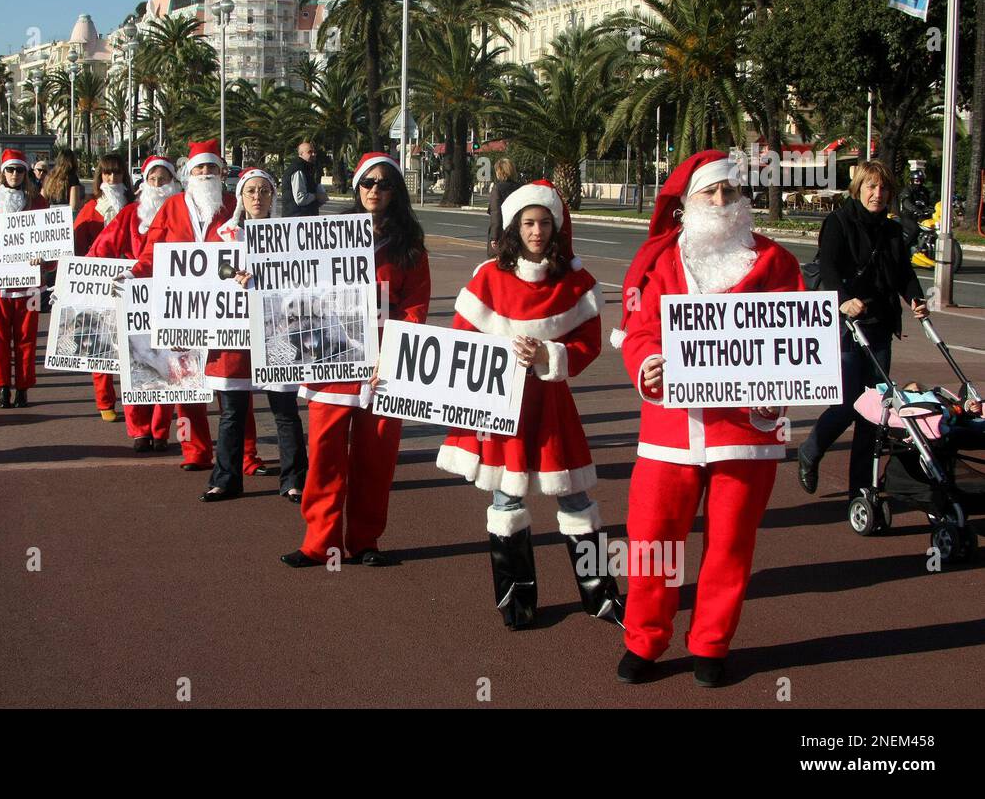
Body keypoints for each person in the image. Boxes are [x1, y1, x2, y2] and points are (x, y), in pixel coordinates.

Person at [614, 149, 804, 687]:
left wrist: (780, 390)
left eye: (730, 192)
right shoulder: (662, 263)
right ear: (687, 203)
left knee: (730, 544)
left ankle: (712, 643)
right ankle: (645, 640)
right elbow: (641, 328)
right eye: (710, 192)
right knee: (653, 540)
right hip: (670, 430)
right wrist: (648, 363)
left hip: (747, 431)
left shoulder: (775, 262)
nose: (722, 202)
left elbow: (797, 344)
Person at [437, 181, 623, 629]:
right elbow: (459, 342)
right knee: (506, 500)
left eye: (543, 223)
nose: (536, 231)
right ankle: (516, 602)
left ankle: (602, 595)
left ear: (556, 227)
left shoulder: (574, 282)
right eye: (527, 223)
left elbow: (588, 343)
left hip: (553, 408)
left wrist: (548, 356)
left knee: (577, 499)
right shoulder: (488, 277)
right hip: (503, 411)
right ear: (513, 228)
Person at [282, 153, 431, 568]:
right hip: (332, 359)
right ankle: (318, 543)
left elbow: (416, 304)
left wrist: (397, 348)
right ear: (356, 186)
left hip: (385, 364)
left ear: (395, 191)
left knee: (375, 458)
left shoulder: (409, 247)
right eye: (367, 183)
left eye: (384, 184)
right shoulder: (328, 234)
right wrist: (254, 280)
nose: (374, 191)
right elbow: (291, 278)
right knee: (325, 453)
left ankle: (365, 541)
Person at [797, 159, 929, 499]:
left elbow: (903, 273)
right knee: (847, 403)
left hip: (880, 325)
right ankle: (811, 449)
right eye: (871, 186)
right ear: (859, 189)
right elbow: (827, 266)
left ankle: (861, 489)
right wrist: (843, 300)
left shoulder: (891, 230)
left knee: (874, 410)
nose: (878, 193)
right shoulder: (839, 222)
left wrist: (915, 298)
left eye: (883, 188)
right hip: (846, 325)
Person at [203, 169, 308, 503]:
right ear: (240, 197)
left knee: (285, 411)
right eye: (251, 191)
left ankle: (293, 480)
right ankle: (226, 480)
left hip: (277, 332)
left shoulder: (290, 237)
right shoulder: (222, 236)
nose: (257, 197)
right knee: (232, 413)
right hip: (234, 338)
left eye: (264, 191)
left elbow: (303, 279)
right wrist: (231, 278)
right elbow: (205, 277)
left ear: (273, 196)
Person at [128, 140, 233, 471]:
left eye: (211, 168)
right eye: (199, 168)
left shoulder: (233, 203)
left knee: (233, 387)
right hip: (182, 307)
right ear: (189, 173)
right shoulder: (172, 206)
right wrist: (133, 273)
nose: (205, 174)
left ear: (221, 172)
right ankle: (196, 452)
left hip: (227, 308)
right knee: (186, 381)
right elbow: (151, 250)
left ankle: (245, 456)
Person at [88, 155, 180, 448]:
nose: (158, 185)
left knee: (168, 363)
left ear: (173, 182)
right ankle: (140, 430)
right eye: (153, 179)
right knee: (135, 362)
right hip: (134, 296)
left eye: (163, 179)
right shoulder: (129, 213)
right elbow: (100, 249)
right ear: (144, 182)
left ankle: (160, 429)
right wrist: (76, 280)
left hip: (170, 296)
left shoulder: (183, 214)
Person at [0, 149, 48, 408]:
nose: (15, 175)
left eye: (20, 170)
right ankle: (2, 387)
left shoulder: (37, 202)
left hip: (28, 285)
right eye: (10, 170)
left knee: (26, 338)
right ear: (2, 172)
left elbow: (48, 242)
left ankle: (22, 388)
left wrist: (42, 257)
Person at [74, 153, 133, 417]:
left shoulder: (136, 205)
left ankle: (136, 399)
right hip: (101, 282)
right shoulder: (91, 208)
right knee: (101, 342)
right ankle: (105, 401)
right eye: (107, 173)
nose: (112, 178)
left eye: (117, 173)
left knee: (134, 344)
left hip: (132, 282)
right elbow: (77, 246)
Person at [279, 141, 327, 218]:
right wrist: (317, 196)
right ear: (301, 154)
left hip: (305, 218)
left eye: (314, 152)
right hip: (297, 219)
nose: (314, 154)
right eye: (310, 152)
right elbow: (300, 198)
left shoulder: (308, 169)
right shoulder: (298, 170)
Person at [486, 158, 521, 257]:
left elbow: (496, 214)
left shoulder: (498, 188)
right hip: (517, 232)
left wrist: (494, 237)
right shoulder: (520, 187)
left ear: (499, 172)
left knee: (499, 264)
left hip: (502, 233)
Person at [42, 148, 84, 215]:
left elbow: (42, 200)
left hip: (50, 216)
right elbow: (74, 206)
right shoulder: (72, 177)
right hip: (66, 217)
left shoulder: (49, 177)